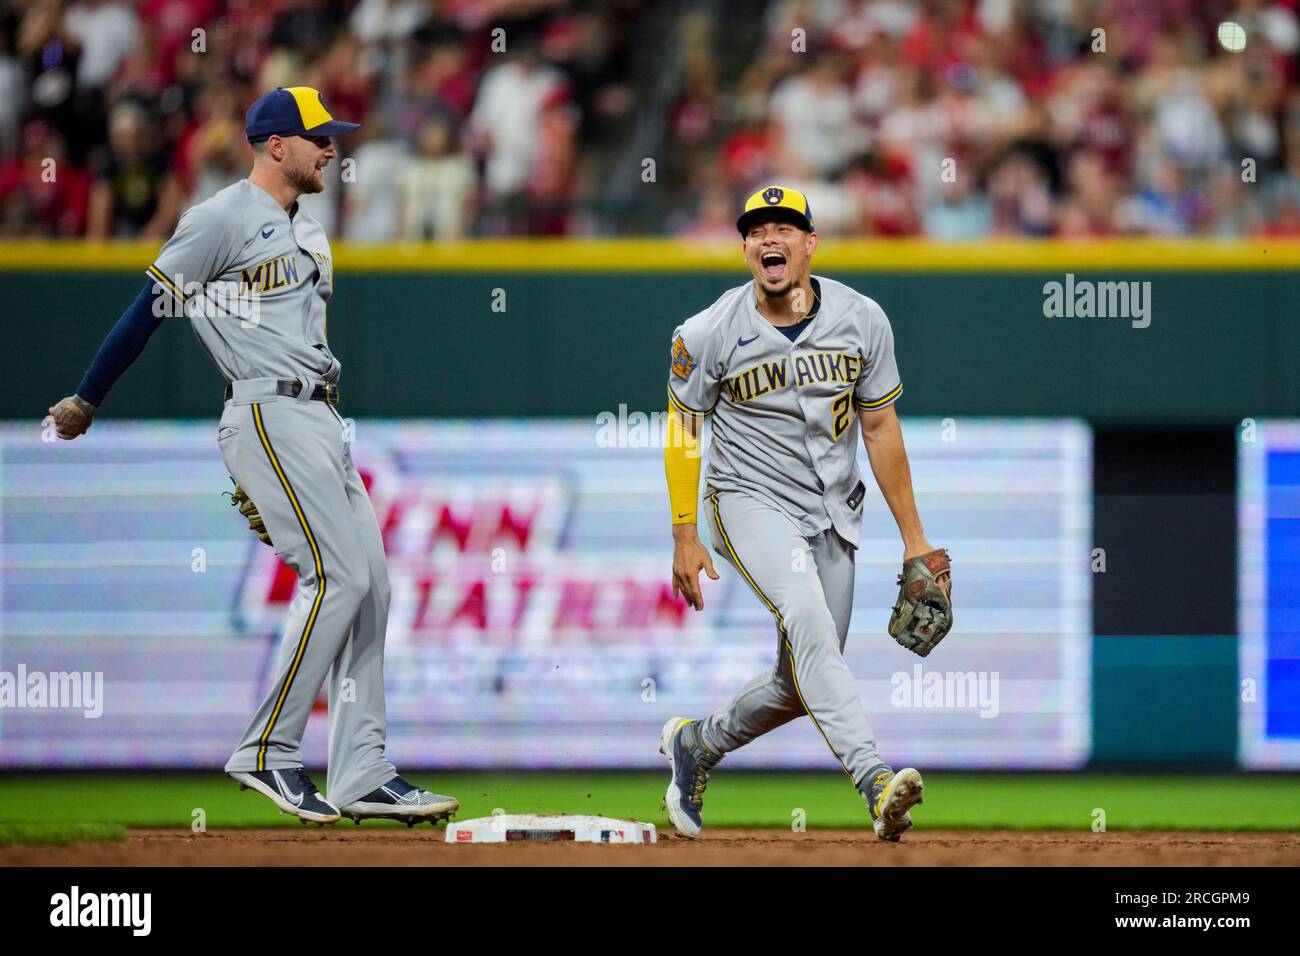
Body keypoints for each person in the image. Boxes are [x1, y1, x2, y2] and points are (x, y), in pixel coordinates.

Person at [44, 87, 458, 827]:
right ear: (276, 145)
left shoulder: (314, 228)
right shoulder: (218, 217)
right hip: (265, 408)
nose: (333, 149)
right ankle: (268, 749)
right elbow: (150, 308)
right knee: (333, 577)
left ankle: (363, 770)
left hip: (321, 416)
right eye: (319, 138)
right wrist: (87, 397)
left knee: (373, 588)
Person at [660, 185, 951, 841]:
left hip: (835, 514)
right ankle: (875, 780)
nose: (770, 238)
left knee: (800, 683)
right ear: (743, 248)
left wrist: (915, 539)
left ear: (810, 243)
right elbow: (684, 428)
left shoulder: (862, 317)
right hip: (746, 498)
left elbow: (879, 426)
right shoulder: (707, 332)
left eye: (785, 228)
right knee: (807, 615)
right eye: (757, 229)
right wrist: (683, 531)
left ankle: (698, 744)